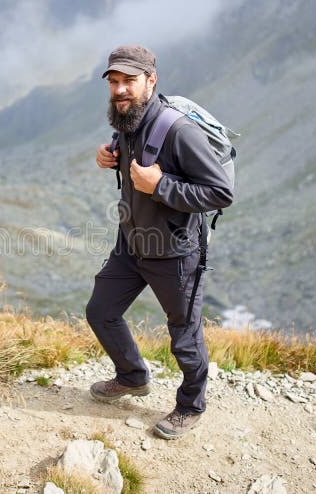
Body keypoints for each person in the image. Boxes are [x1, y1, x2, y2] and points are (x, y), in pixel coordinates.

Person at [86, 45, 234, 440]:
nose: (120, 89)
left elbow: (220, 192)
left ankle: (190, 406)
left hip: (175, 254)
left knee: (184, 335)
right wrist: (108, 155)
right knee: (101, 311)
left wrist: (161, 186)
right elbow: (133, 162)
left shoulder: (181, 131)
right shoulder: (128, 120)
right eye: (114, 81)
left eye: (129, 81)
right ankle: (132, 377)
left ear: (151, 81)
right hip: (131, 244)